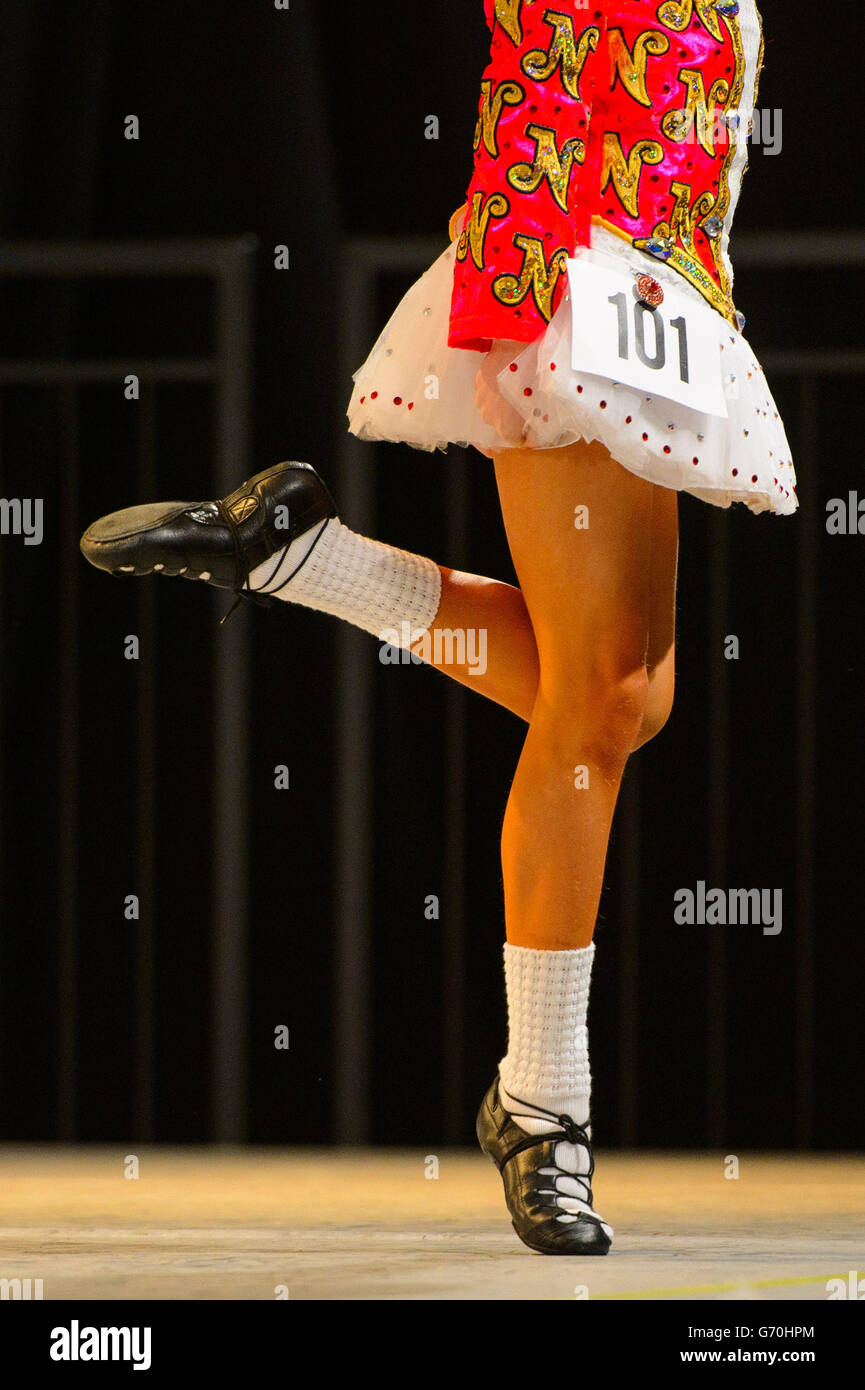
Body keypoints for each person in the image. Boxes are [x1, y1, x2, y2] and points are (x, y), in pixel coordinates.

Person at [80, 0, 795, 1256]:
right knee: (600, 697)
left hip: (647, 249)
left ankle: (305, 558)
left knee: (624, 695)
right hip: (587, 241)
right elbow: (555, 52)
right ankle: (544, 1104)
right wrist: (528, 270)